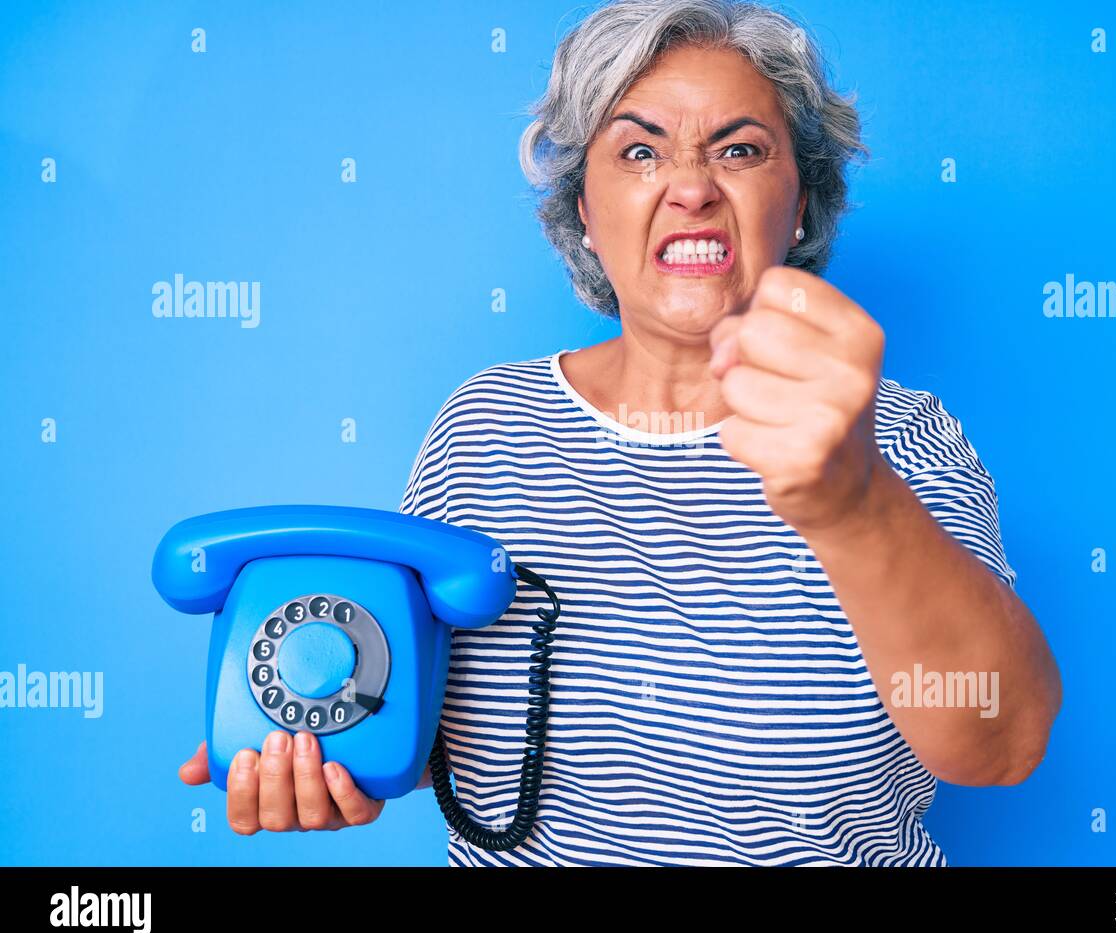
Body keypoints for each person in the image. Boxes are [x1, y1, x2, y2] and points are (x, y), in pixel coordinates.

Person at [181, 0, 1062, 865]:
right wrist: (331, 753)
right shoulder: (486, 424)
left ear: (800, 205)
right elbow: (438, 724)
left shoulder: (900, 436)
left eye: (741, 150)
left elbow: (1001, 742)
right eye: (640, 150)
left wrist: (856, 504)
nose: (690, 187)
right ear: (587, 216)